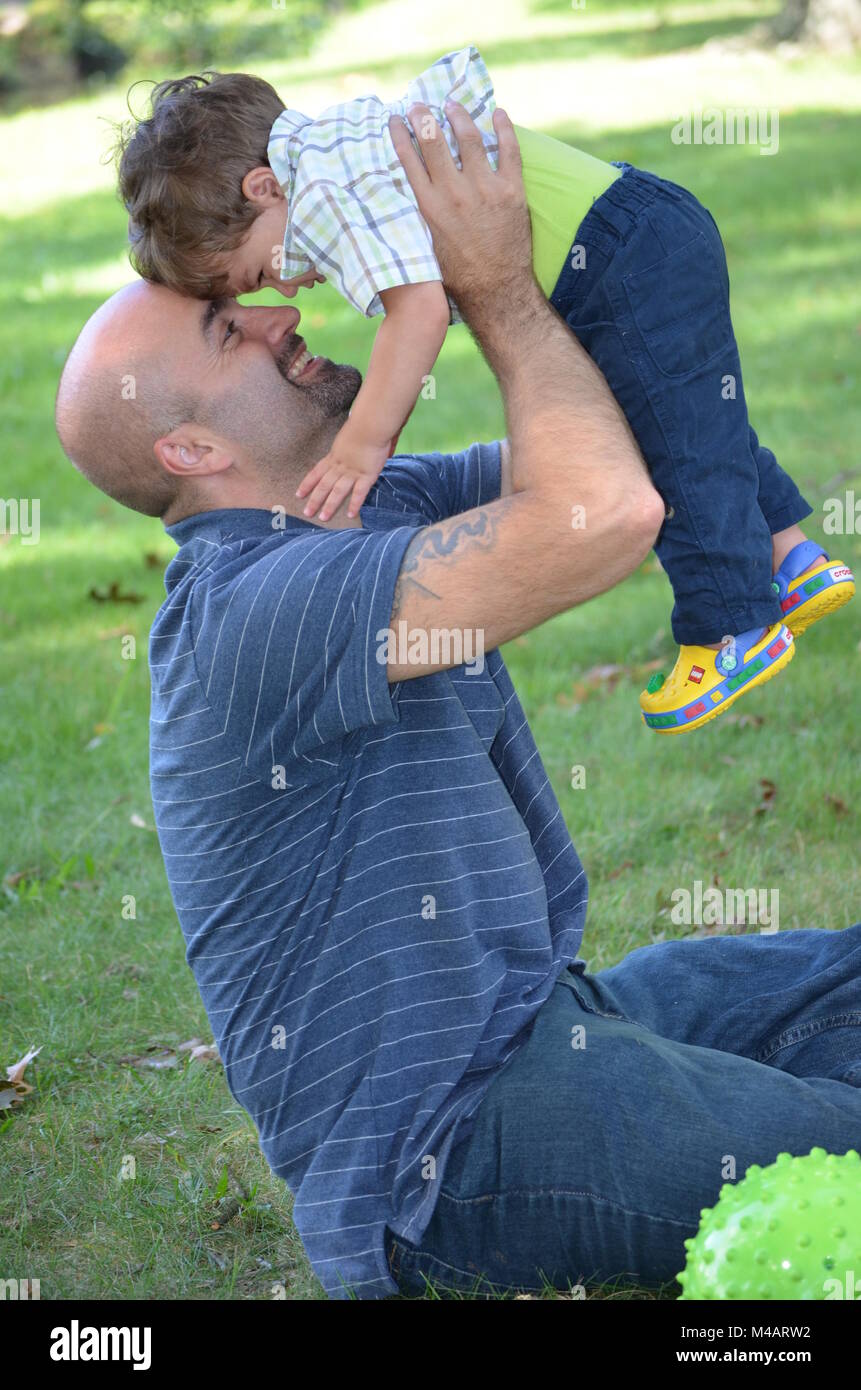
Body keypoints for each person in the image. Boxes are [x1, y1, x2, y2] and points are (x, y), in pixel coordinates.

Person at [56, 104, 861, 1300]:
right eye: (233, 330)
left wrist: (560, 240)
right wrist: (485, 288)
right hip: (450, 1143)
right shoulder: (249, 610)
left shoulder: (360, 502)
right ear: (190, 452)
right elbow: (604, 518)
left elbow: (619, 455)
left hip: (553, 1020)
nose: (284, 310)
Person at [115, 47, 854, 735]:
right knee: (678, 419)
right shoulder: (336, 150)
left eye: (257, 271)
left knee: (675, 430)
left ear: (264, 188)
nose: (282, 287)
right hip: (635, 228)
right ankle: (790, 556)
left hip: (615, 258)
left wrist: (363, 441)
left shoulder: (326, 198)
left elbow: (420, 312)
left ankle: (731, 627)